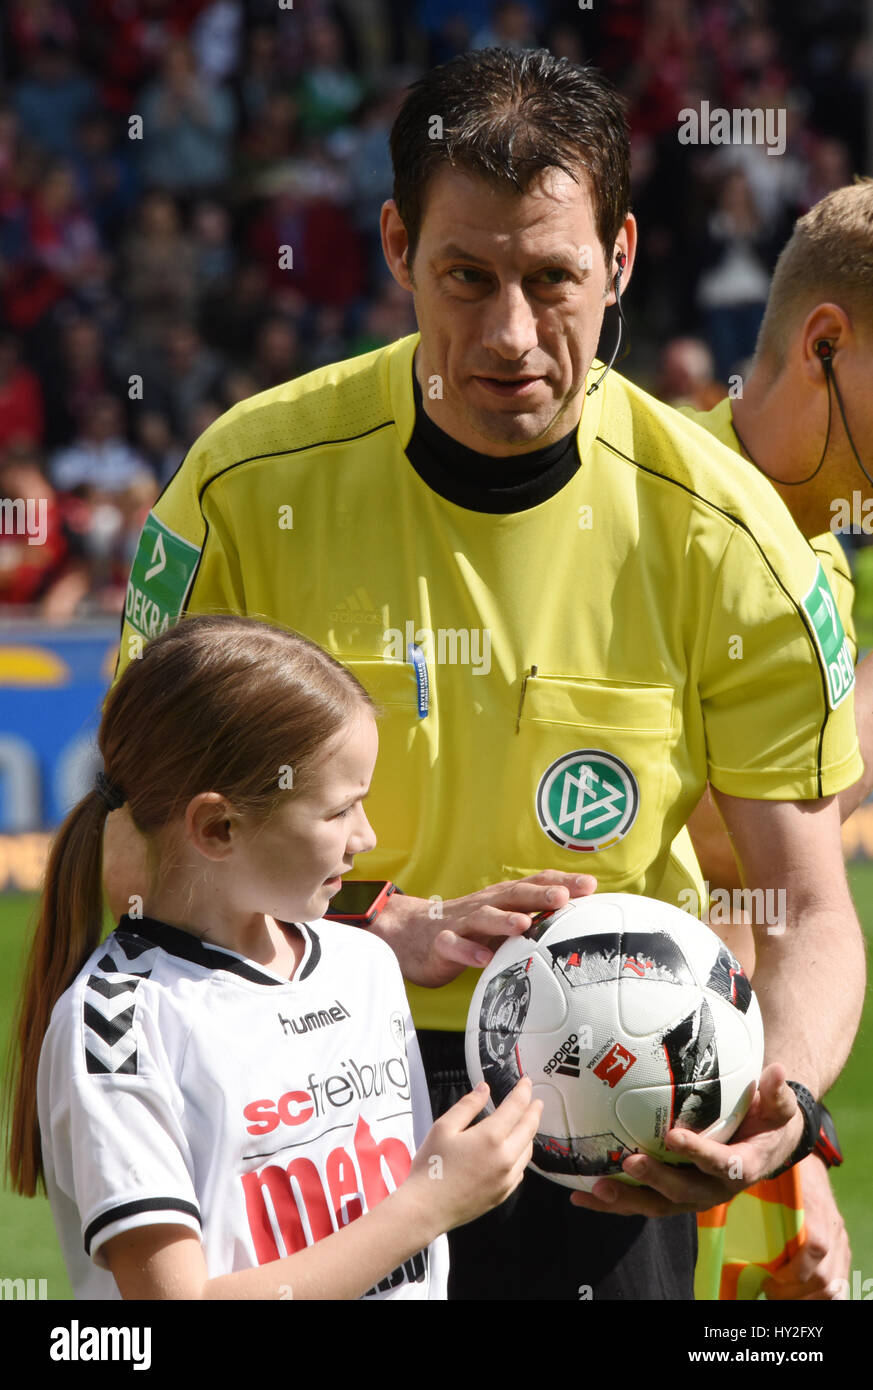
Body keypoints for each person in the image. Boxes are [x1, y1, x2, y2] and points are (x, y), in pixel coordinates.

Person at [104, 48, 865, 1301]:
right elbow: (128, 851)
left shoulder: (733, 540)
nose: (511, 335)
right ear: (398, 246)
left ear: (620, 259)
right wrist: (369, 931)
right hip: (301, 1087)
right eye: (468, 276)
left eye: (554, 279)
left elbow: (809, 906)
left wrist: (780, 1105)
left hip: (612, 1124)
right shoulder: (245, 489)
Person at [6, 613, 541, 1300]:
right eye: (338, 812)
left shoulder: (364, 966)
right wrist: (428, 1206)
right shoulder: (118, 1028)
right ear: (219, 826)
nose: (365, 838)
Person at [680, 179, 873, 1300]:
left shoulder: (826, 569)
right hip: (571, 1097)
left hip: (723, 1095)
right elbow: (715, 838)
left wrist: (794, 1156)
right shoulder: (657, 506)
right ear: (825, 344)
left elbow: (779, 864)